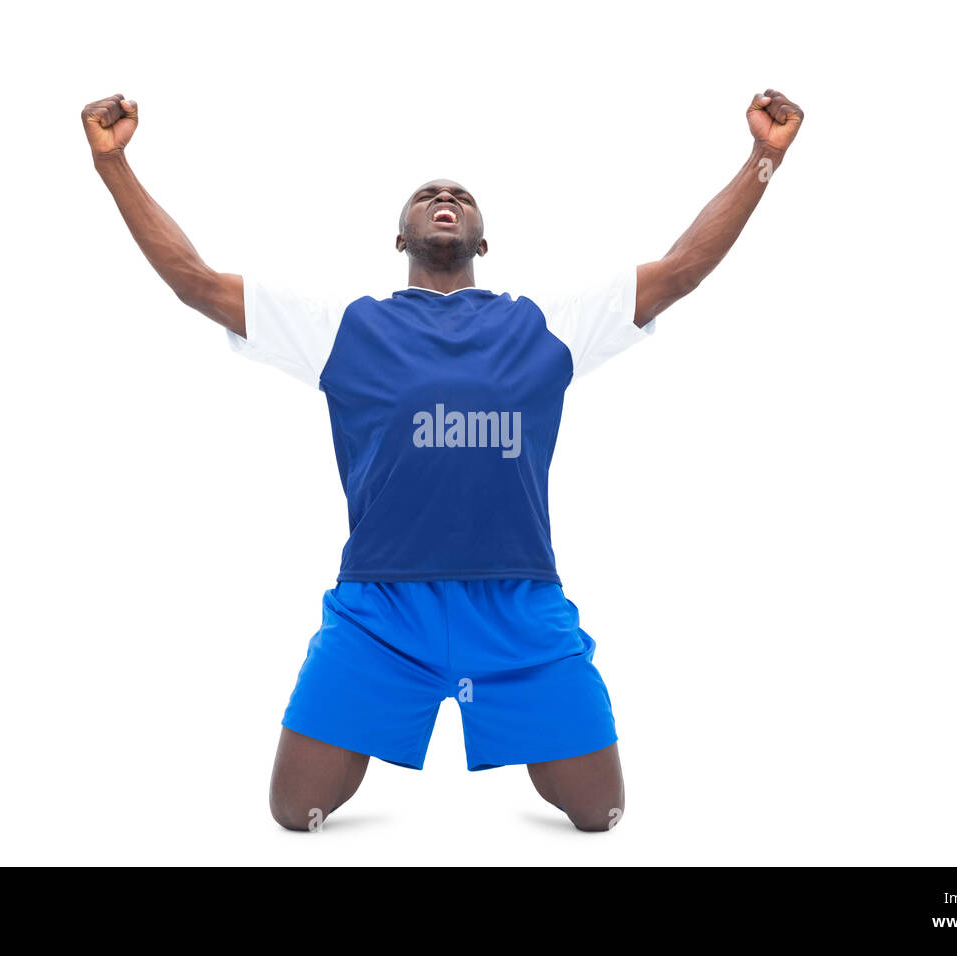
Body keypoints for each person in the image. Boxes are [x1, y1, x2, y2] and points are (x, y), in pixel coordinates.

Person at [82, 88, 804, 832]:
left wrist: (764, 157)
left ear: (483, 243)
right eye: (428, 194)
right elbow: (196, 282)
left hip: (518, 604)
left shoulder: (546, 326)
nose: (445, 198)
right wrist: (114, 166)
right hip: (382, 608)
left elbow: (680, 269)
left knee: (600, 814)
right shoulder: (344, 330)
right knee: (295, 811)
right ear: (400, 237)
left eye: (460, 195)